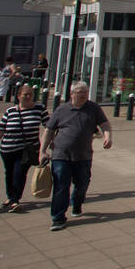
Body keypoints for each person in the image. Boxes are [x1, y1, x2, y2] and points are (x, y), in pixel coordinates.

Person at [39, 81, 110, 231]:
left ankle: (76, 203)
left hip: (83, 155)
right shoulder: (61, 110)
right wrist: (42, 150)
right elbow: (49, 131)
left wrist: (107, 136)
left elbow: (104, 123)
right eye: (80, 92)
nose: (84, 95)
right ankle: (58, 218)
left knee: (82, 183)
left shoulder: (93, 108)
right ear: (72, 94)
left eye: (86, 92)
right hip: (61, 154)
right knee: (61, 186)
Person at [0, 84, 47, 212]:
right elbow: (0, 130)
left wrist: (49, 145)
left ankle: (15, 199)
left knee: (20, 173)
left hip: (27, 150)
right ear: (18, 96)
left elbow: (49, 127)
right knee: (9, 173)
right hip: (7, 149)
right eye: (25, 94)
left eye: (31, 94)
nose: (28, 96)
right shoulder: (10, 111)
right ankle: (10, 197)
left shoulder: (40, 109)